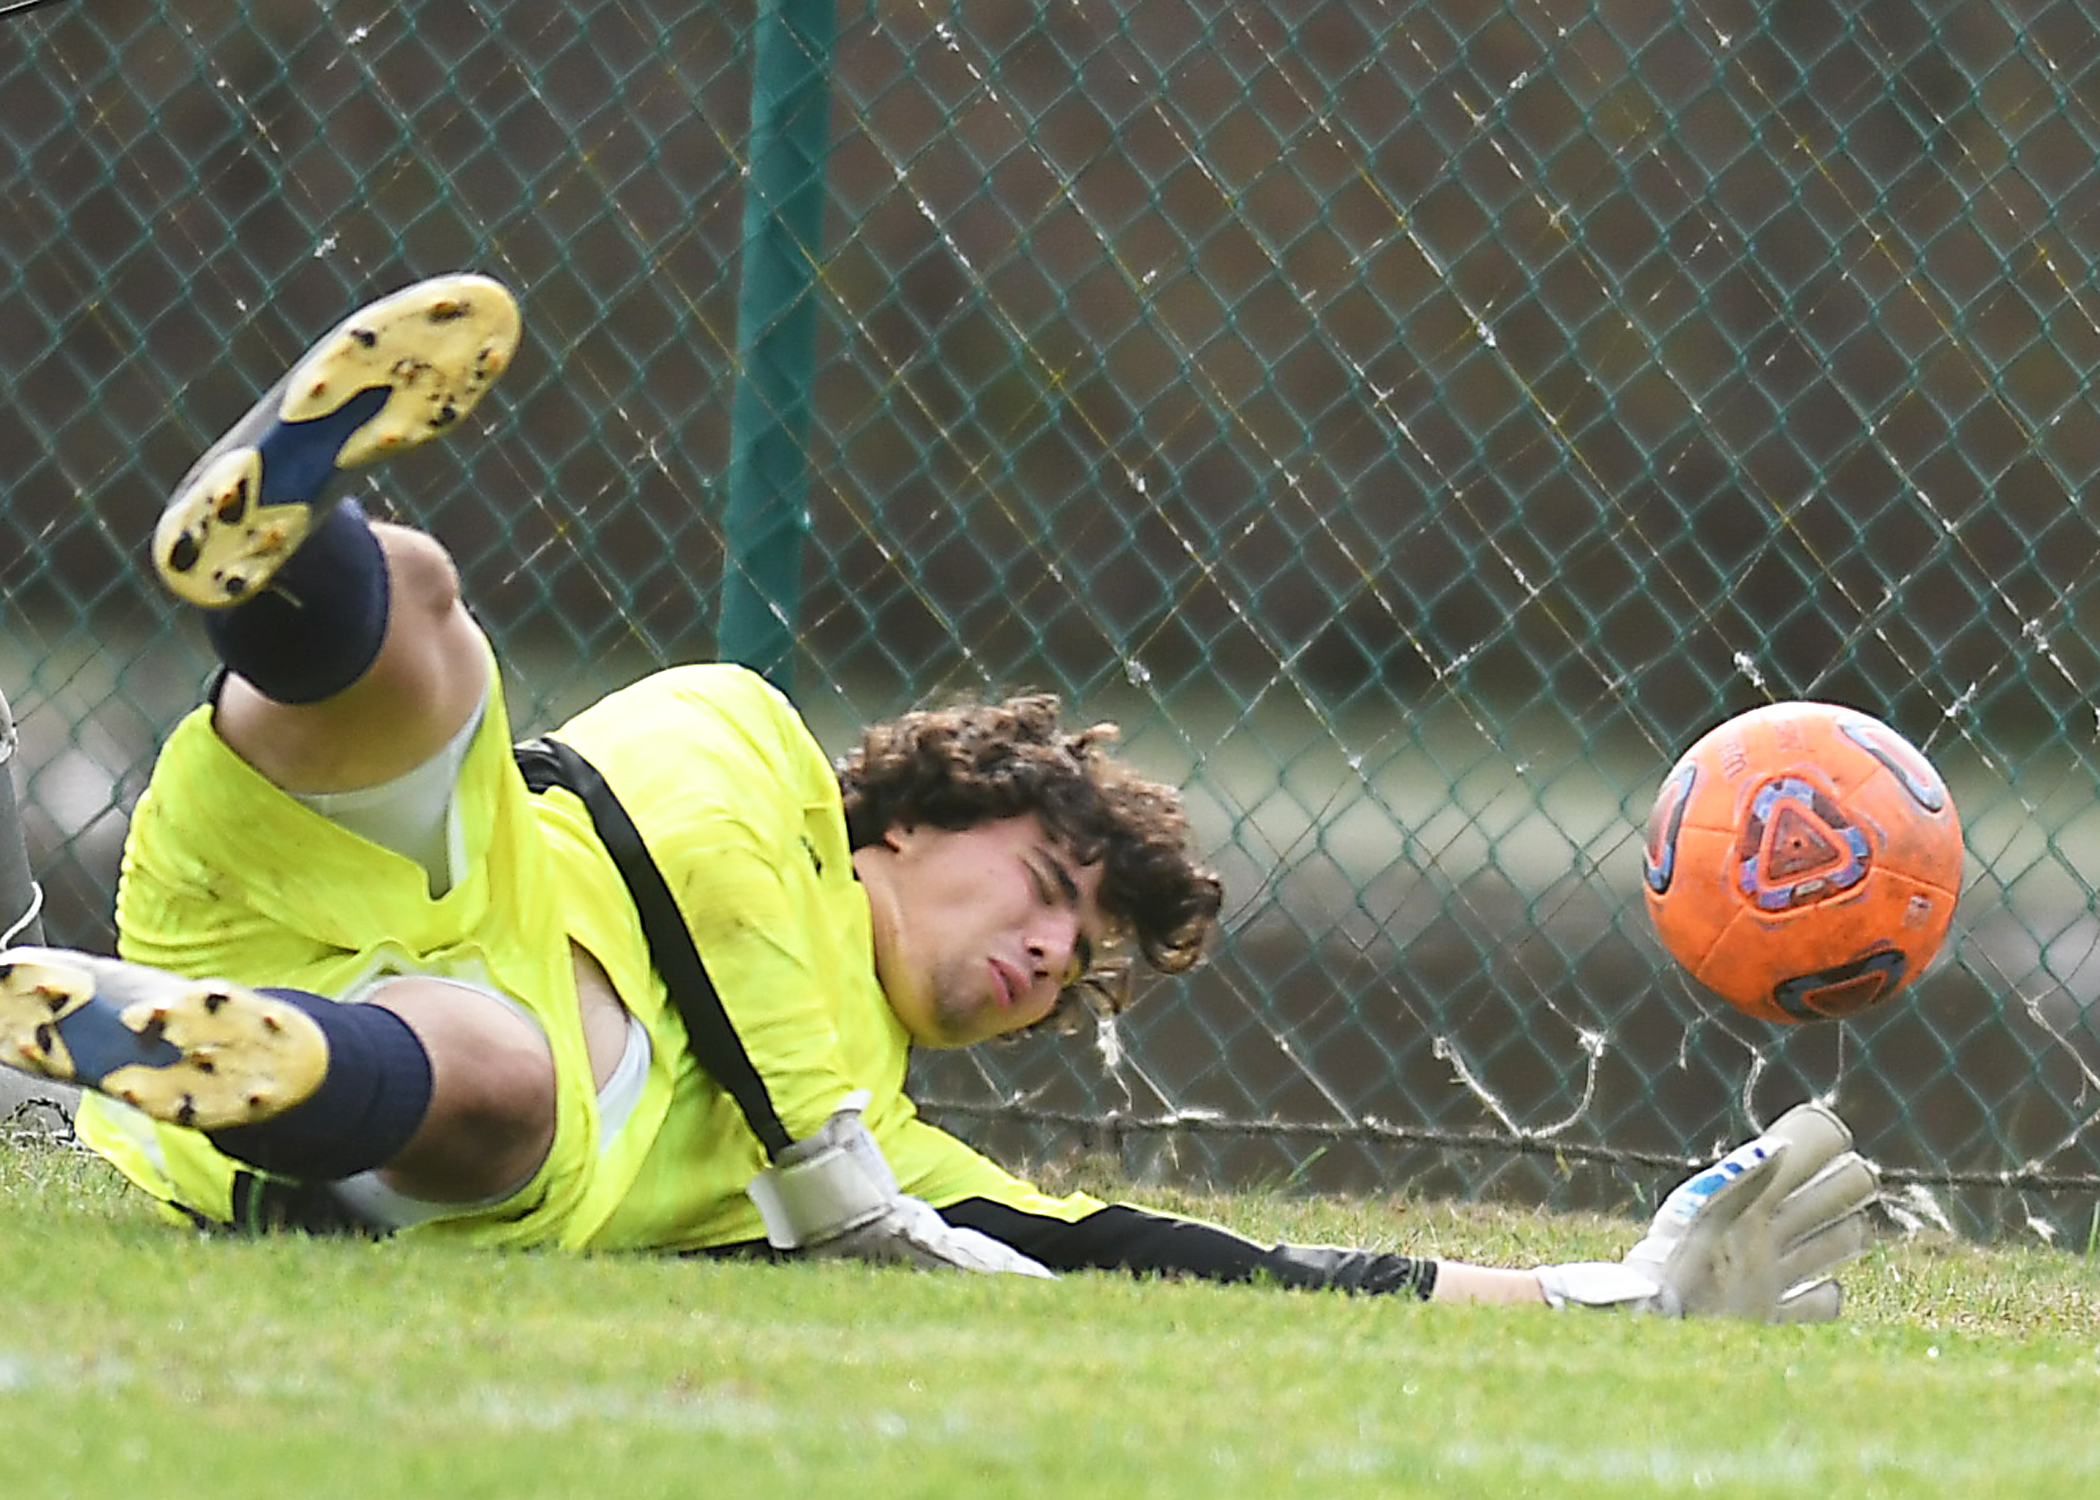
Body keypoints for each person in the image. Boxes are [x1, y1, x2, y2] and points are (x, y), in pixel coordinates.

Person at [0, 273, 1878, 1316]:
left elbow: (1179, 1258)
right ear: (911, 815)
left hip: (358, 1107)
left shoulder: (899, 1154)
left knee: (491, 1066)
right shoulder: (748, 752)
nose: (1056, 959)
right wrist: (821, 1162)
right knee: (419, 606)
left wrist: (1603, 1301)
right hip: (361, 857)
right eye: (1052, 889)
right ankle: (270, 550)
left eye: (1086, 971)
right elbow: (690, 859)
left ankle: (230, 1048)